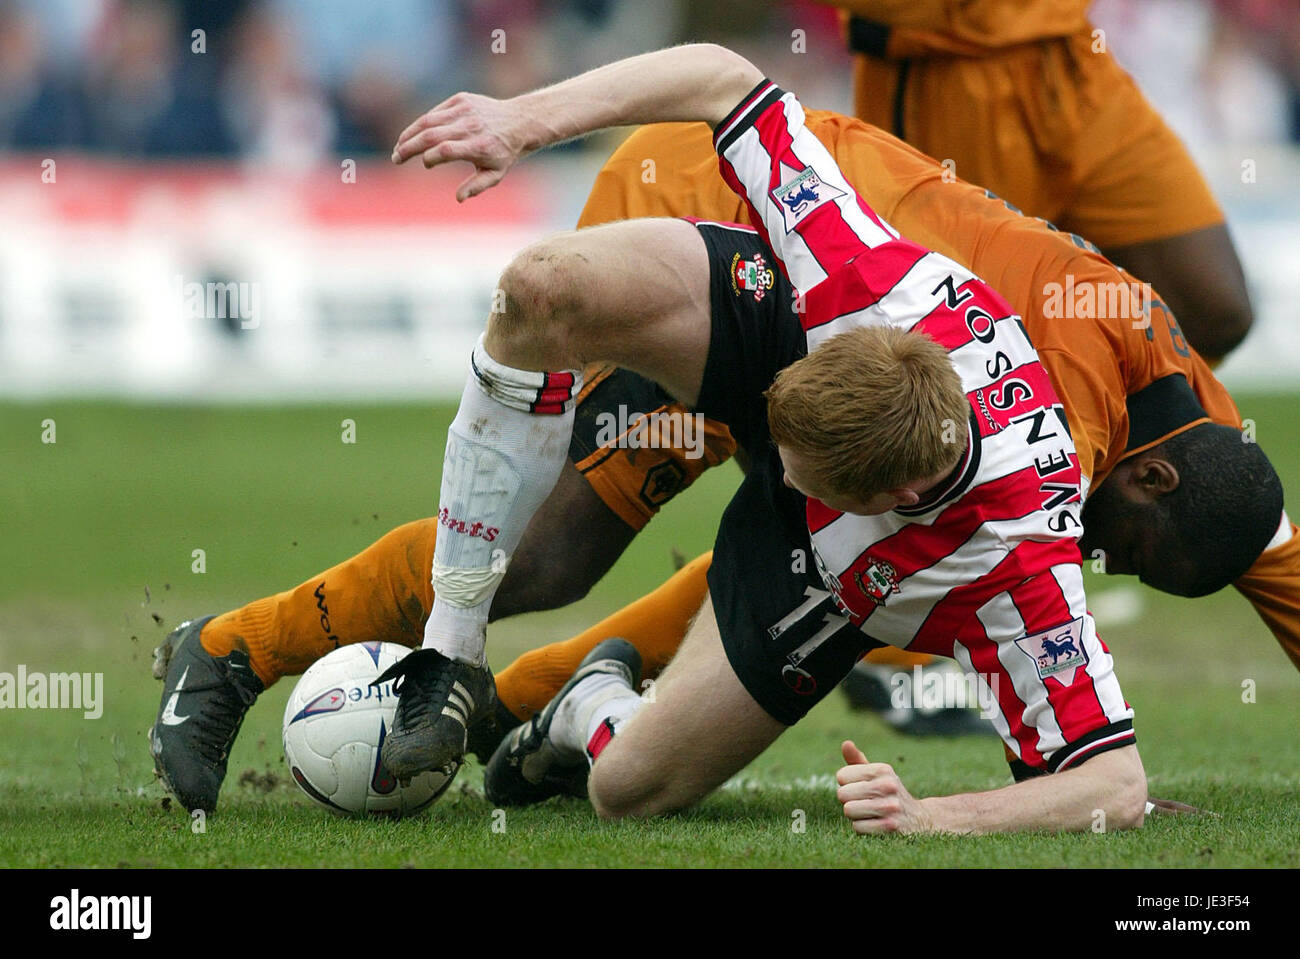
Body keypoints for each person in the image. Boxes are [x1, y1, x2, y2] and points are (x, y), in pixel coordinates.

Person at [148, 55, 1295, 818]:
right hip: (742, 243)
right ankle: (241, 649)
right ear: (1147, 470)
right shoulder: (956, 331)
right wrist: (523, 118)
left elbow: (860, 573)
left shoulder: (1173, 443)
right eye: (1127, 547)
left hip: (859, 383)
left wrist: (1061, 778)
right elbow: (721, 77)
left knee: (787, 615)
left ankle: (556, 703)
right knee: (549, 550)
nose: (1108, 560)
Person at [374, 42, 1161, 833]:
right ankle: (451, 648)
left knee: (625, 791)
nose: (761, 464)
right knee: (539, 288)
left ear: (896, 500)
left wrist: (935, 817)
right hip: (782, 336)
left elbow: (1117, 785)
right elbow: (723, 77)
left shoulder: (1017, 562)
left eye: (799, 474)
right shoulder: (858, 278)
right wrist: (522, 120)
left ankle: (590, 703)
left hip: (829, 576)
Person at [827, 0, 1255, 363]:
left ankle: (1096, 430)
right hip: (945, 78)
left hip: (1072, 57)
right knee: (974, 342)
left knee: (1215, 313)